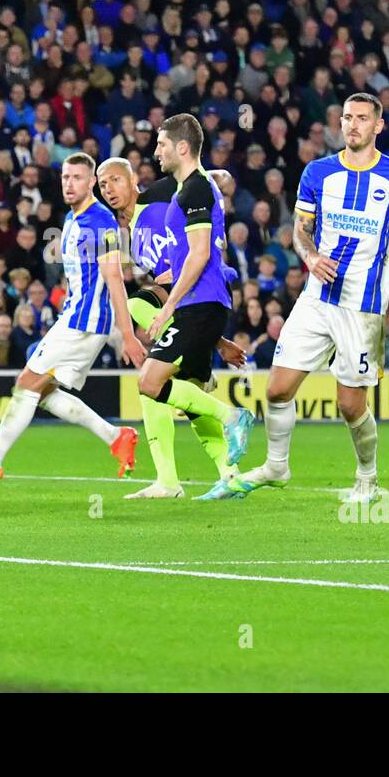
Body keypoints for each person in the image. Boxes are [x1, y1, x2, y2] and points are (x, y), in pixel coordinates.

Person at [204, 93, 389, 503]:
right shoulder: (318, 173)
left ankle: (367, 478)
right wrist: (312, 256)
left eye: (362, 119)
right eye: (347, 117)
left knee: (351, 406)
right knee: (278, 389)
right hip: (317, 298)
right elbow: (301, 231)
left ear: (379, 126)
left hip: (364, 307)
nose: (352, 125)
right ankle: (277, 466)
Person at [0, 153, 143, 481]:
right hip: (76, 318)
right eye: (66, 177)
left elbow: (114, 278)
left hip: (84, 322)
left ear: (92, 181)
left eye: (78, 178)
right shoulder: (72, 218)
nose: (69, 184)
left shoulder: (100, 220)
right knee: (42, 391)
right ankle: (116, 436)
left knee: (26, 383)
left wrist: (128, 335)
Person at [96, 156, 246, 494]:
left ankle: (182, 474)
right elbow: (167, 299)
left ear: (134, 180)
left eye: (116, 180)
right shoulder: (131, 239)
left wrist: (217, 174)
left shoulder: (162, 194)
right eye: (103, 184)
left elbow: (204, 179)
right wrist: (218, 342)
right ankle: (222, 476)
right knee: (166, 392)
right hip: (189, 315)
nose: (109, 189)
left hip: (207, 295)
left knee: (137, 306)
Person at [129, 114, 256, 498]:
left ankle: (234, 416)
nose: (156, 151)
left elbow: (198, 256)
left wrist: (168, 308)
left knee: (150, 382)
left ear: (182, 147)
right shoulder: (192, 188)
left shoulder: (196, 189)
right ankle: (230, 477)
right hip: (203, 306)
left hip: (197, 304)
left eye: (161, 144)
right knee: (191, 395)